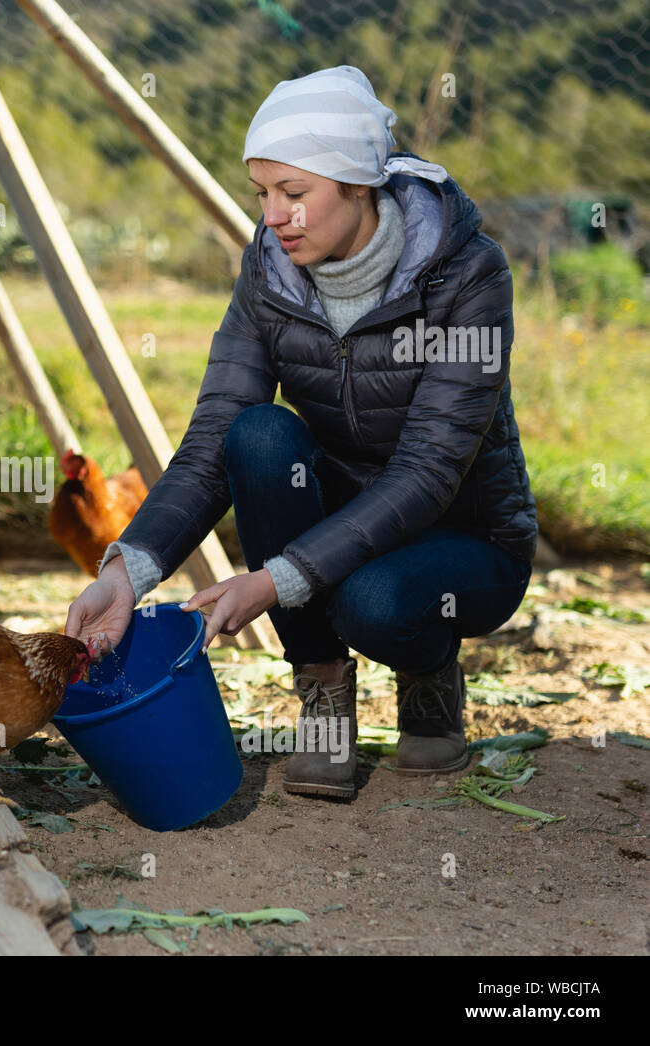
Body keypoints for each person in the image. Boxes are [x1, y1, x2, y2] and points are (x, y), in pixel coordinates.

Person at [63, 66, 537, 801]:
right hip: (342, 517)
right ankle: (322, 695)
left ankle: (429, 670)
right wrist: (126, 572)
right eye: (262, 193)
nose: (274, 216)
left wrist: (273, 580)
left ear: (356, 184)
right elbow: (215, 433)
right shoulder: (269, 274)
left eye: (294, 193)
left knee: (373, 604)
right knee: (254, 435)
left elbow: (427, 474)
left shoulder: (468, 274)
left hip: (465, 535)